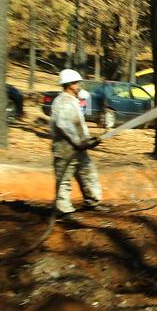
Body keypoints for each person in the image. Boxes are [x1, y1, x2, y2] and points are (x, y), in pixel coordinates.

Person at [51, 69, 106, 216]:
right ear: (69, 84)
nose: (79, 85)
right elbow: (64, 126)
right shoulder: (62, 102)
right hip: (65, 147)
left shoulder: (73, 100)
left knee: (88, 173)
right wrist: (78, 142)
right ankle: (63, 209)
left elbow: (78, 122)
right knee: (64, 178)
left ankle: (92, 201)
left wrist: (88, 139)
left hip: (79, 145)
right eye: (77, 82)